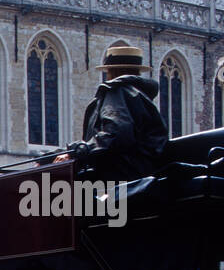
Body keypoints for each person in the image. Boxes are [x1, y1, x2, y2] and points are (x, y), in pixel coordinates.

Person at [56, 45, 168, 181]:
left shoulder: (117, 92)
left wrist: (78, 152)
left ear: (111, 72)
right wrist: (56, 155)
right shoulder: (140, 97)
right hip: (140, 176)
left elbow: (115, 134)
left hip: (116, 183)